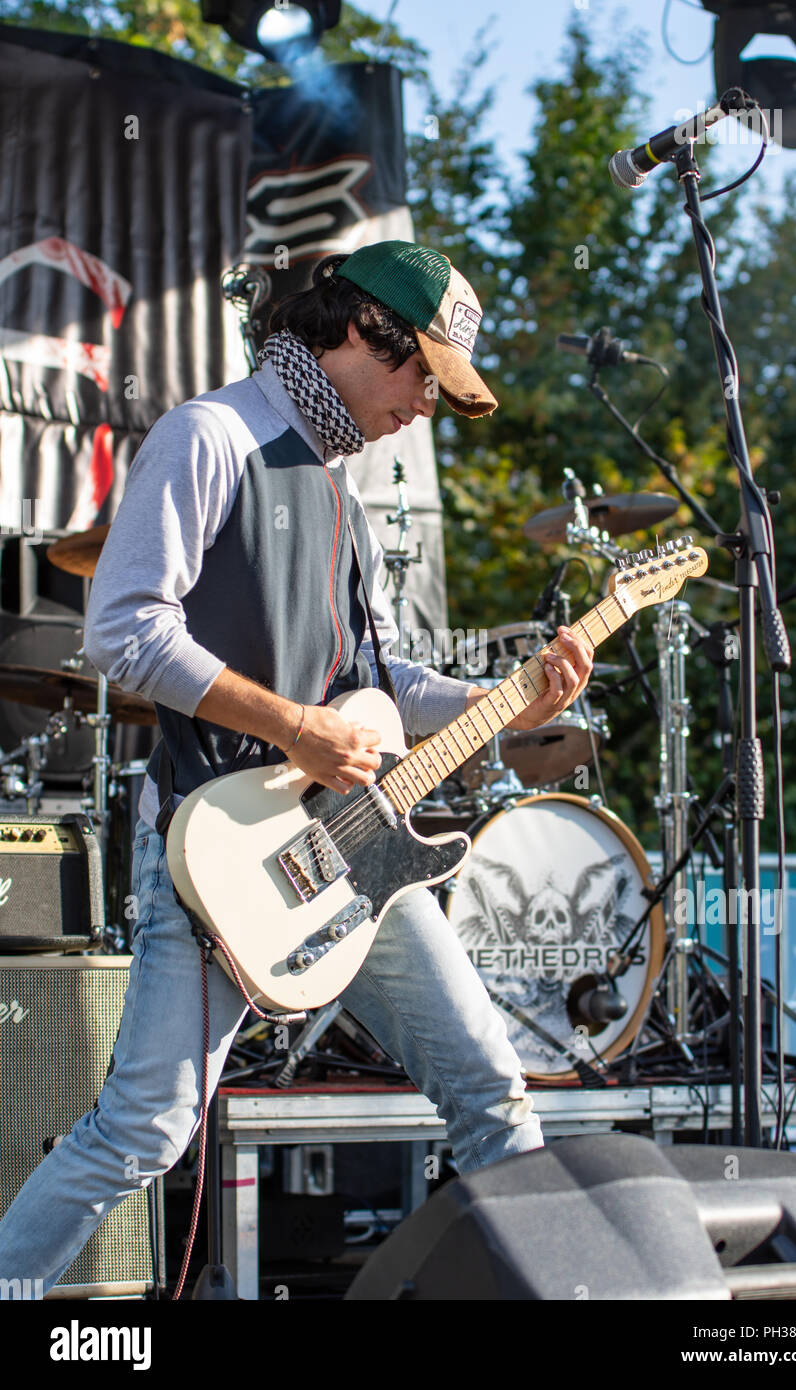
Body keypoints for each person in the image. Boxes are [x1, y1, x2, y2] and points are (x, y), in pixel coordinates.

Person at [0, 240, 593, 1296]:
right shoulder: (210, 435)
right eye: (421, 376)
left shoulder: (338, 493)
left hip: (352, 854)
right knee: (145, 1132)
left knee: (490, 1087)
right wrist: (292, 728)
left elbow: (375, 683)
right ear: (363, 331)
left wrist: (507, 703)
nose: (422, 407)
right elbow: (123, 627)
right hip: (221, 848)